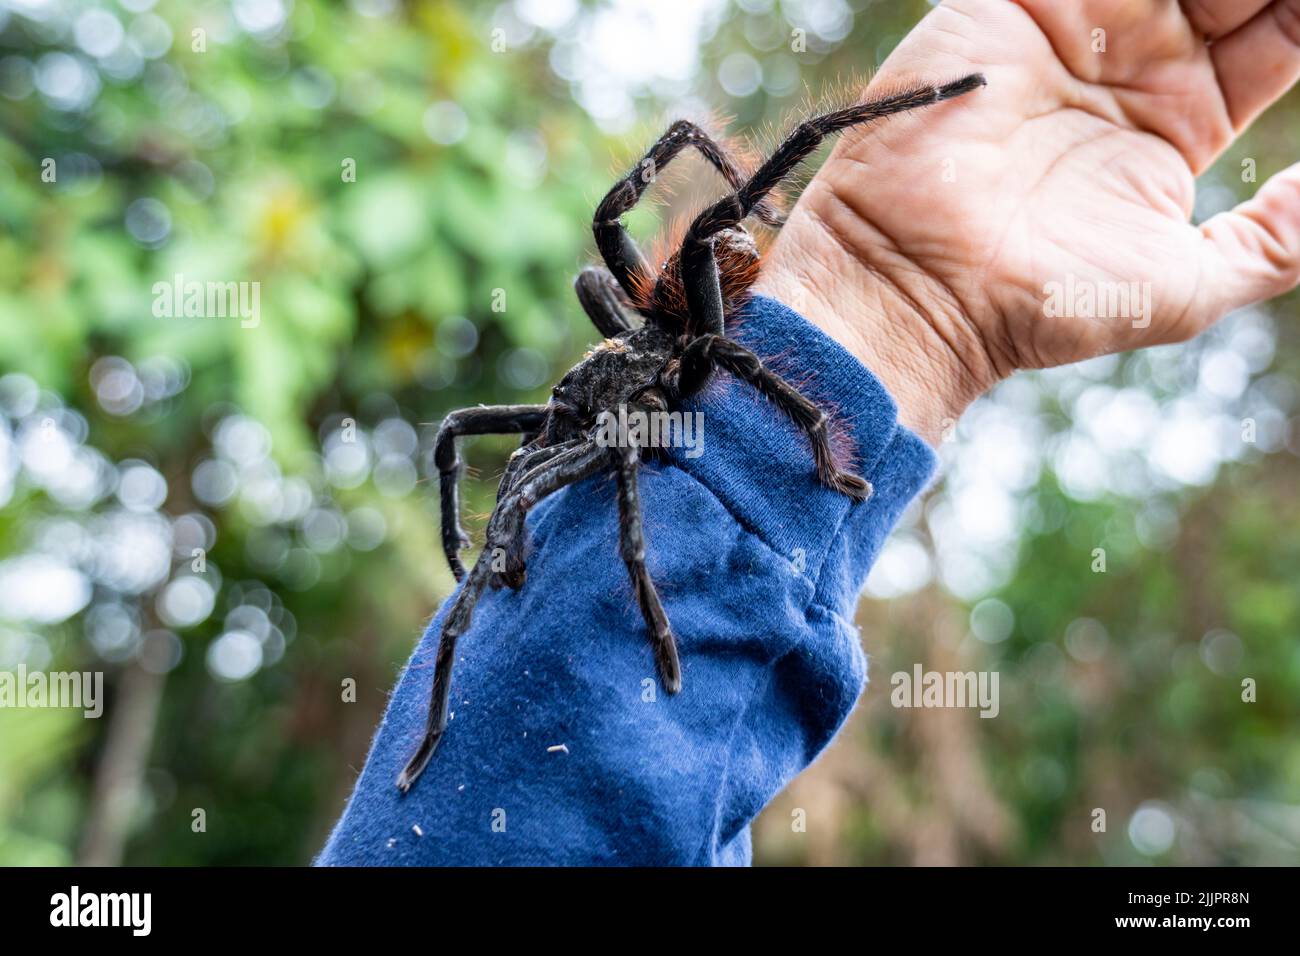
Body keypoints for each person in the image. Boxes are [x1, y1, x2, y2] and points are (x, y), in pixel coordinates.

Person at [317, 0, 1300, 865]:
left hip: (680, 329)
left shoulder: (681, 338)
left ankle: (656, 621)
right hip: (666, 356)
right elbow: (485, 455)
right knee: (474, 445)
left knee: (647, 391)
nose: (550, 438)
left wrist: (729, 175)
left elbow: (665, 286)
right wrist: (883, 295)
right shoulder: (598, 411)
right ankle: (547, 642)